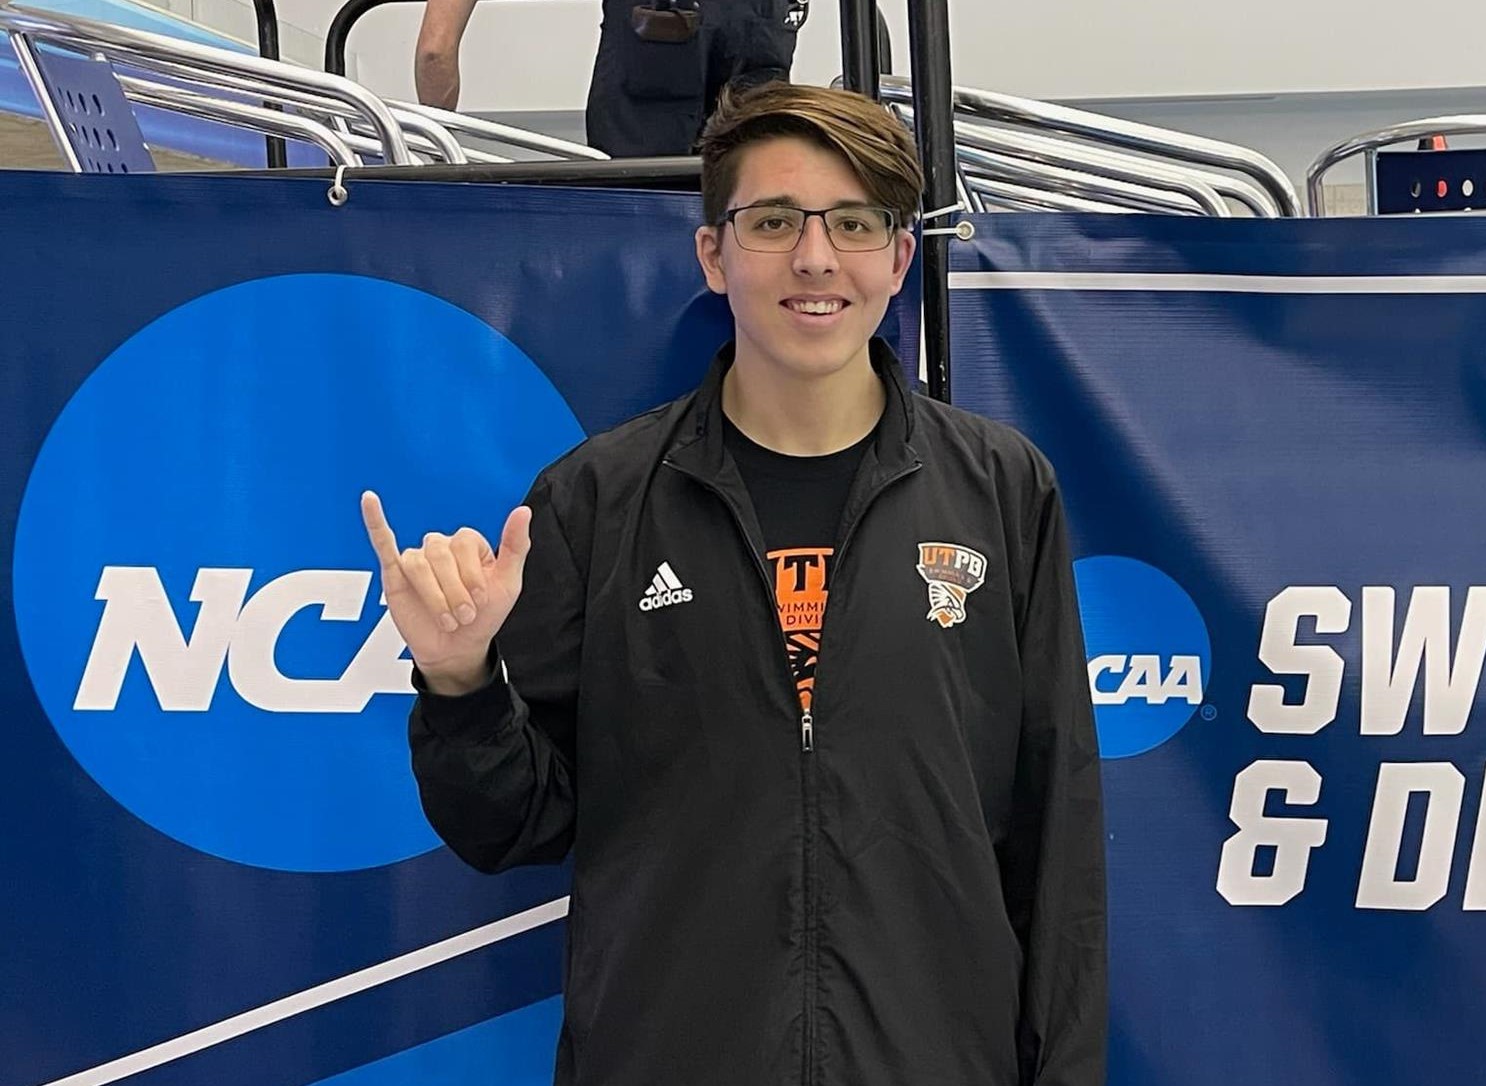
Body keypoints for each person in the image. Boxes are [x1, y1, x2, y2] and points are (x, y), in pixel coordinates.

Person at [359, 81, 1109, 1086]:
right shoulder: (599, 497)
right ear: (713, 254)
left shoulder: (1002, 489)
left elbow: (1055, 830)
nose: (813, 257)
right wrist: (459, 686)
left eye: (853, 222)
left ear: (898, 257)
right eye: (771, 222)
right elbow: (512, 829)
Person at [413, 0, 801, 157]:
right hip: (764, 25)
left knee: (639, 214)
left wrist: (433, 153)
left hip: (658, 39)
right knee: (759, 202)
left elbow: (435, 49)